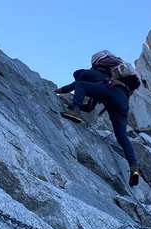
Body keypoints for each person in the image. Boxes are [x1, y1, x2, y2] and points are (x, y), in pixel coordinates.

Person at [56, 50, 141, 187]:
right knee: (122, 137)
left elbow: (77, 85)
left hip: (110, 93)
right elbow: (90, 107)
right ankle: (134, 168)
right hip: (122, 101)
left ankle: (74, 113)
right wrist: (73, 103)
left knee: (80, 85)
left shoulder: (88, 74)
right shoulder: (107, 79)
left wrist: (59, 91)